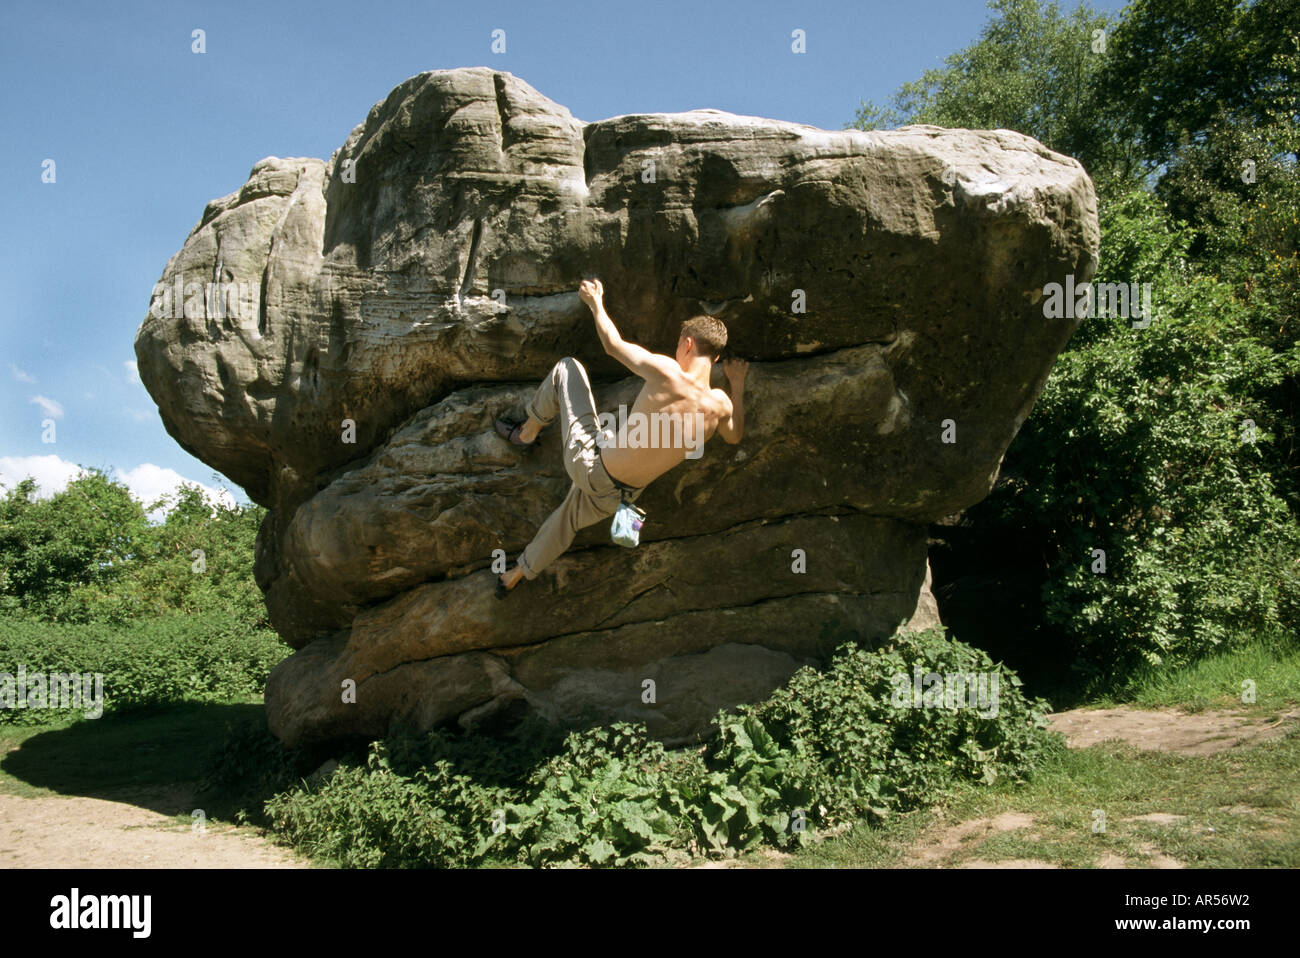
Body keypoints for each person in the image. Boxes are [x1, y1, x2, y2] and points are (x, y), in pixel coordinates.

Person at [493, 277, 748, 595]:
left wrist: (596, 302)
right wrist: (737, 385)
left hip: (592, 468)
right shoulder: (721, 405)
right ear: (718, 359)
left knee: (567, 368)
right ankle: (515, 574)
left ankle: (527, 433)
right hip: (624, 499)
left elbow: (612, 346)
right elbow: (735, 436)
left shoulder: (669, 373)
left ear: (688, 343)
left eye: (679, 342)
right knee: (568, 519)